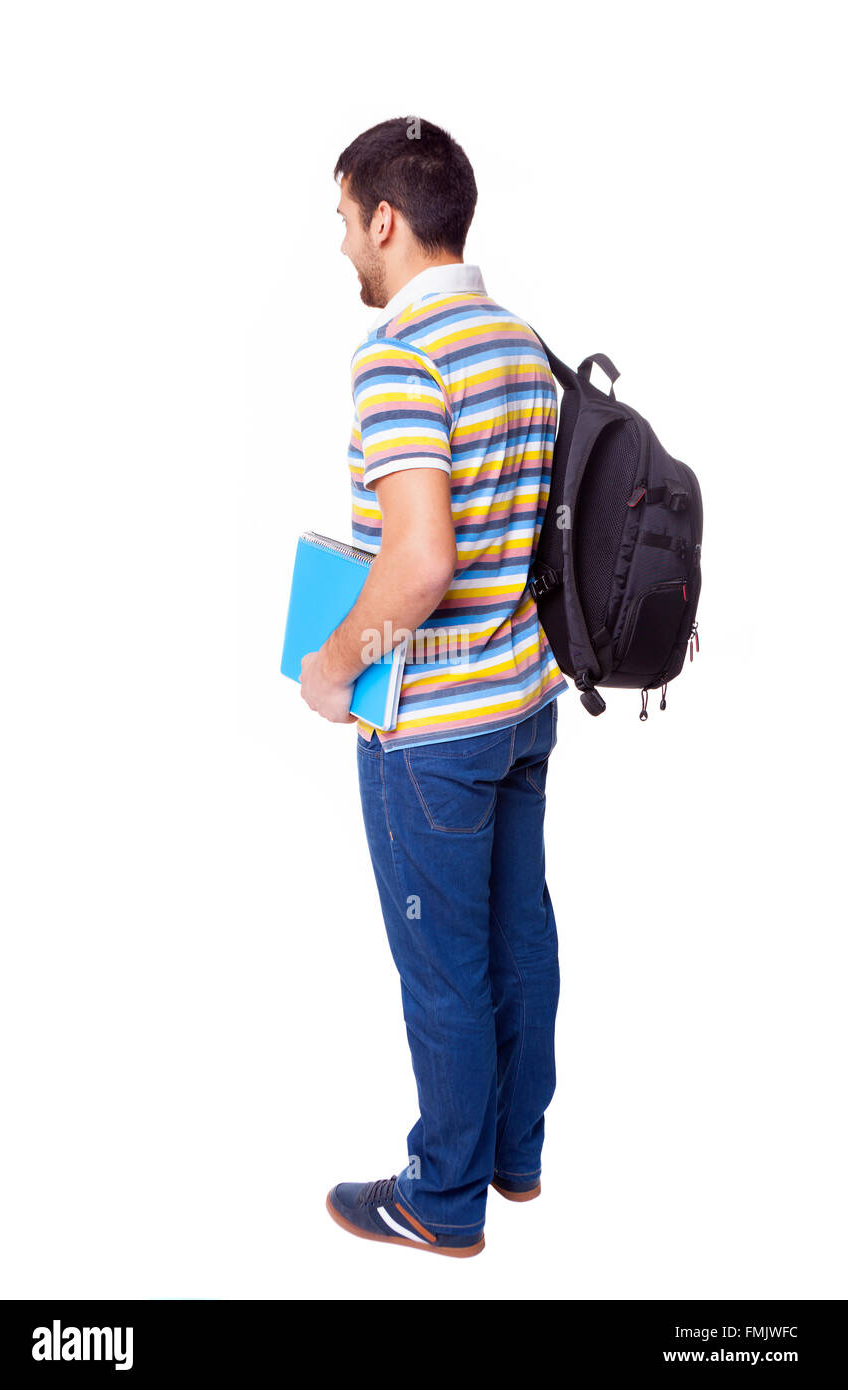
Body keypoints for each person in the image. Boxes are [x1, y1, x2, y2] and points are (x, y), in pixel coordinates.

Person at [299, 116, 567, 1257]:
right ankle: (514, 1153)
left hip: (431, 733)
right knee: (518, 937)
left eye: (344, 222)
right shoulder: (521, 343)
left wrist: (331, 660)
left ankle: (439, 1196)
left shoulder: (400, 355)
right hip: (523, 699)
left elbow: (417, 559)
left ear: (386, 219)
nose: (342, 246)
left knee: (442, 967)